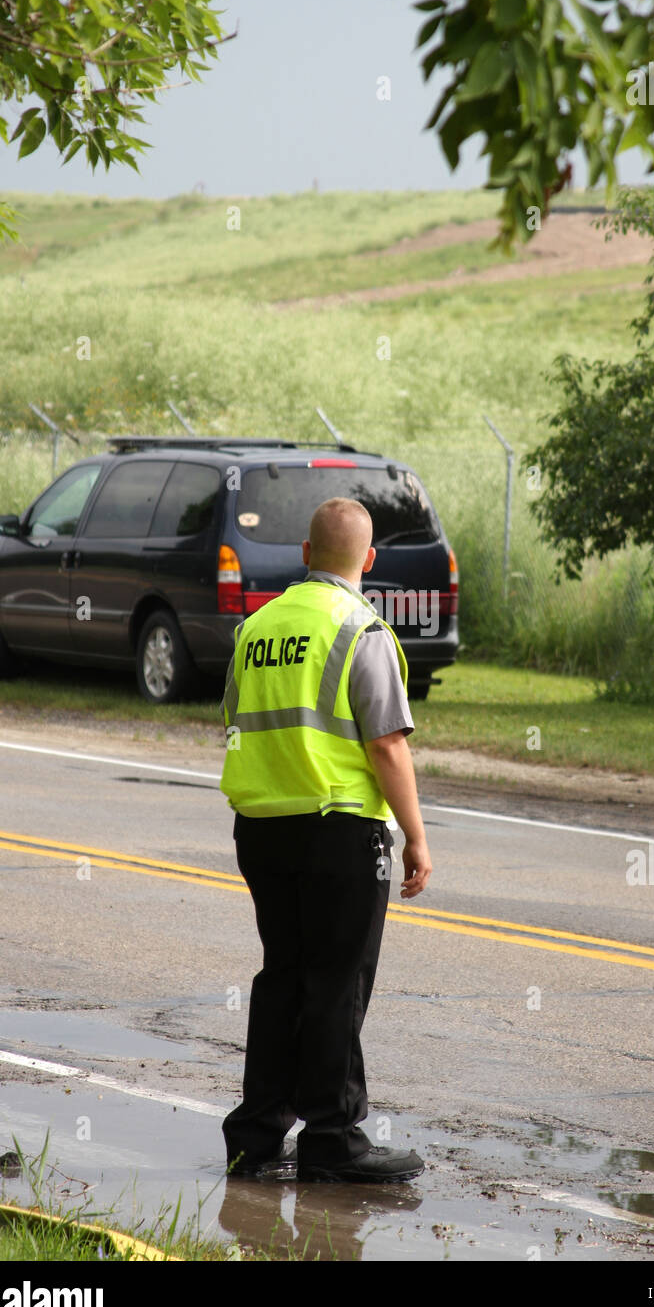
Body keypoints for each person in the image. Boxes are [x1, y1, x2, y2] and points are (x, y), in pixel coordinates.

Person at [219, 496, 433, 1182]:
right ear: (368, 561)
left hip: (261, 828)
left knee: (283, 976)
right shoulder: (359, 628)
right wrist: (418, 841)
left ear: (305, 555)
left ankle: (256, 1135)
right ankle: (333, 1139)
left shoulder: (257, 628)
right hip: (340, 830)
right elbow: (389, 748)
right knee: (338, 983)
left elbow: (233, 718)